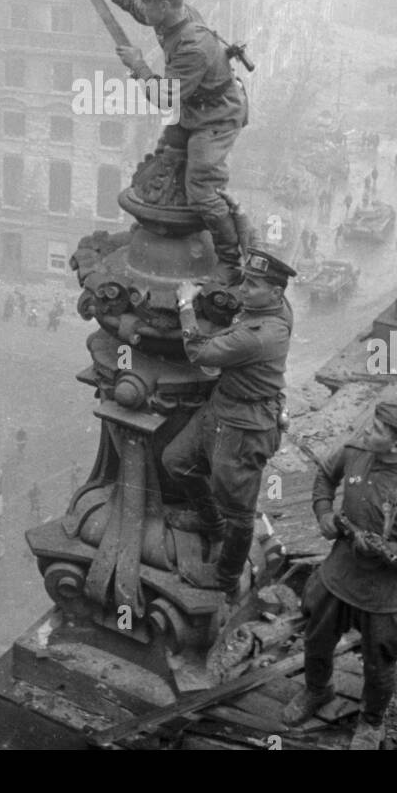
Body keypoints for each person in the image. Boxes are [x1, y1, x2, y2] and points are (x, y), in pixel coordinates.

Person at [69, 0, 248, 281]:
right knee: (166, 156)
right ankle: (158, 221)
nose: (143, 11)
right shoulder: (172, 15)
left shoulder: (193, 45)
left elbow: (166, 96)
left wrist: (139, 66)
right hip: (196, 107)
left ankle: (230, 257)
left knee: (201, 187)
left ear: (165, 6)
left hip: (217, 117)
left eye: (149, 5)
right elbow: (134, 3)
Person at [283, 401, 397, 750]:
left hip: (383, 591)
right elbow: (325, 476)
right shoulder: (355, 452)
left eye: (378, 430)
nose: (368, 431)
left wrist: (388, 551)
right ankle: (317, 690)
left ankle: (371, 722)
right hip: (340, 571)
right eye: (373, 425)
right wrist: (324, 513)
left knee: (380, 662)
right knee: (317, 637)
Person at [162, 244, 295, 597]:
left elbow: (199, 352)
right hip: (223, 407)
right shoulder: (277, 307)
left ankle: (225, 577)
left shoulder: (261, 334)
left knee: (239, 511)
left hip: (244, 427)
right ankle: (211, 521)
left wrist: (185, 303)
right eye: (245, 282)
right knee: (177, 461)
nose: (243, 291)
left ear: (276, 292)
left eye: (252, 286)